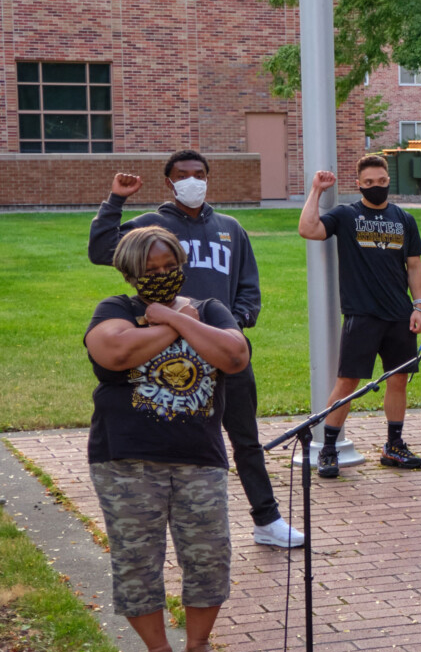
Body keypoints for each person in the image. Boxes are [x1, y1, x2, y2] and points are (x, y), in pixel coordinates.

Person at [88, 152, 300, 549]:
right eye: (182, 175)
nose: (192, 180)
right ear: (169, 182)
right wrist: (115, 200)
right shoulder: (151, 225)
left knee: (245, 436)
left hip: (218, 342)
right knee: (183, 430)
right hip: (165, 352)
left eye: (199, 174)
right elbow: (102, 251)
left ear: (208, 177)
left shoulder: (230, 228)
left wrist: (234, 321)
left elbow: (248, 285)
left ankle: (267, 518)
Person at [85, 227, 250, 652]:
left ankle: (198, 646)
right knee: (138, 559)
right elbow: (116, 351)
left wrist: (175, 319)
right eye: (150, 270)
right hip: (127, 458)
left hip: (199, 455)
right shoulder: (116, 310)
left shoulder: (210, 309)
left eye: (169, 267)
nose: (161, 275)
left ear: (181, 265)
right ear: (130, 274)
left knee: (209, 555)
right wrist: (174, 323)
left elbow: (234, 356)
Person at [297, 156, 421, 478]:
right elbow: (308, 229)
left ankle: (393, 446)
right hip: (362, 314)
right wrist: (316, 190)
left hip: (399, 314)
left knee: (398, 380)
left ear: (388, 181)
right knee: (348, 382)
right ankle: (328, 449)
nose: (376, 187)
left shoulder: (404, 218)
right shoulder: (346, 215)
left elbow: (414, 265)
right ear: (359, 184)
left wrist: (419, 306)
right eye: (369, 183)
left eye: (381, 181)